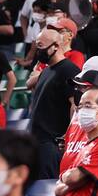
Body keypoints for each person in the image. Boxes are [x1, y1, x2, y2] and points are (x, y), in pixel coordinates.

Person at [26, 21, 80, 178]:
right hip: (35, 142)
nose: (38, 51)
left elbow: (75, 106)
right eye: (37, 46)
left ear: (55, 46)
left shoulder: (69, 69)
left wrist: (69, 139)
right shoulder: (45, 71)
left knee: (46, 190)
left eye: (41, 46)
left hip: (51, 144)